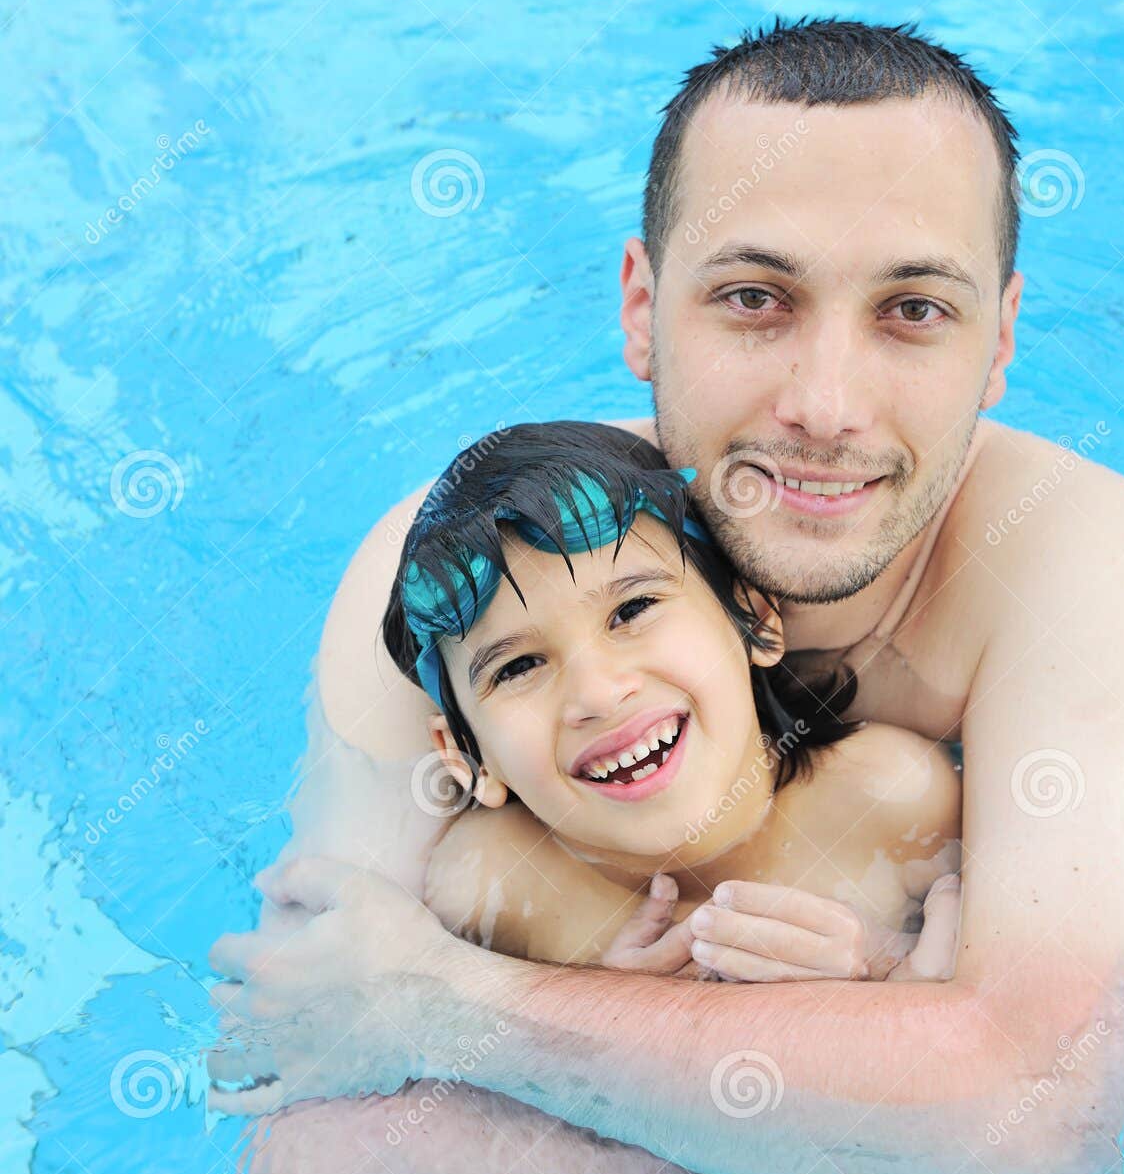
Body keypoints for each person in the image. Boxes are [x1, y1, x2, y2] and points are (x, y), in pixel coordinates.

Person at [210, 18, 1124, 1174]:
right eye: (752, 299)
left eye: (912, 308)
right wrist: (866, 1092)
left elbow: (1045, 1137)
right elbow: (308, 1165)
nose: (823, 407)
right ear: (637, 305)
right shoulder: (450, 590)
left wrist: (452, 1005)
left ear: (1000, 339)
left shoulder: (1058, 557)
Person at [384, 420, 962, 982]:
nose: (598, 694)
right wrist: (609, 1009)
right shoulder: (494, 888)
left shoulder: (893, 798)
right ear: (467, 756)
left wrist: (888, 968)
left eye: (631, 611)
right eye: (518, 667)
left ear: (755, 619)